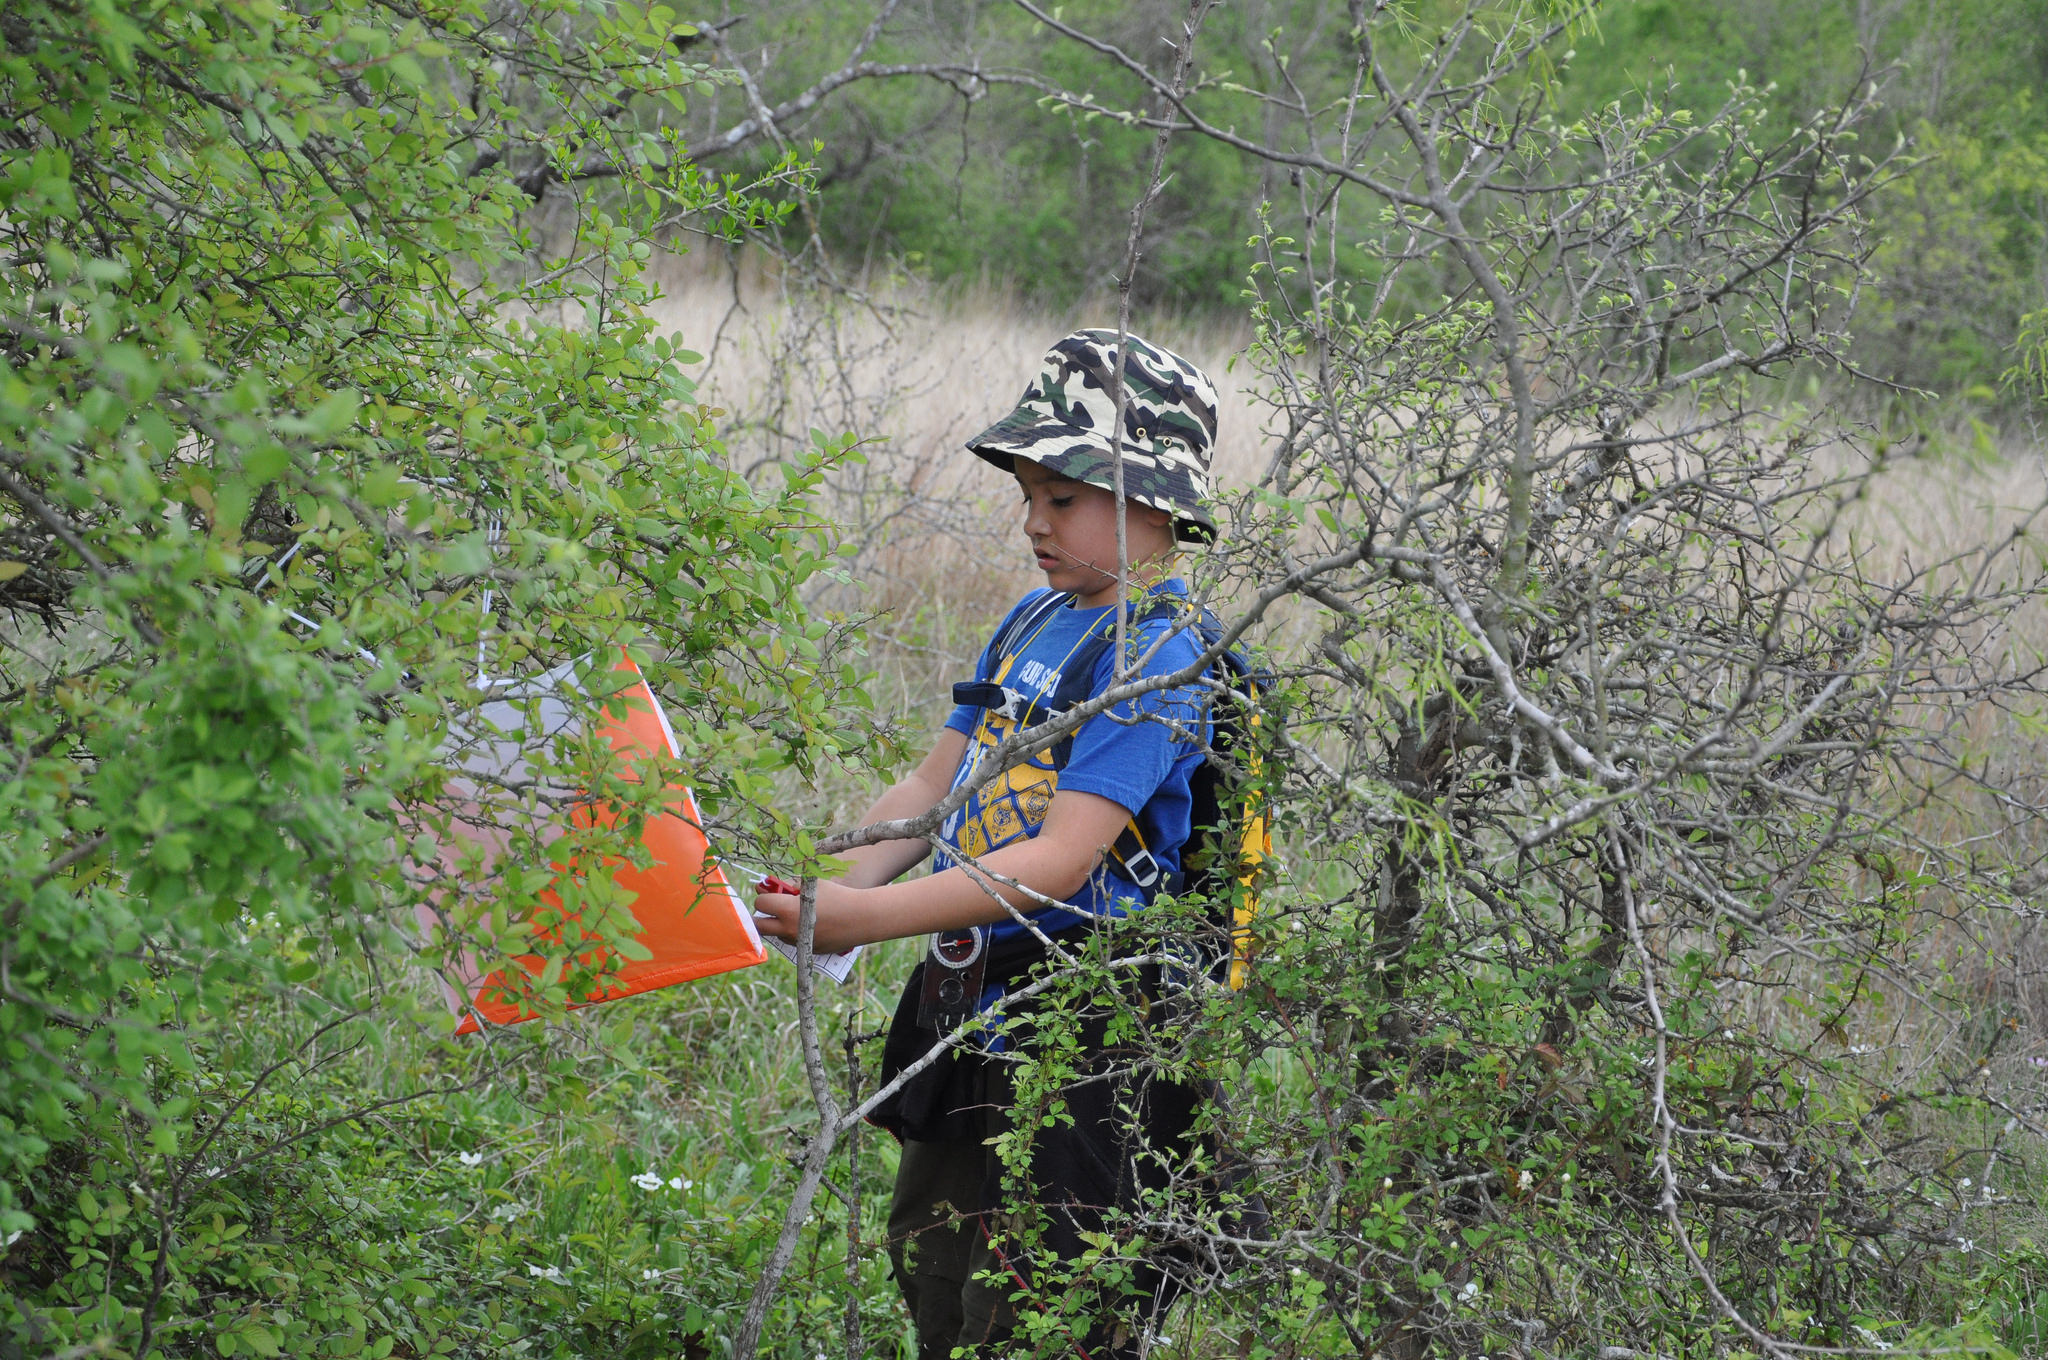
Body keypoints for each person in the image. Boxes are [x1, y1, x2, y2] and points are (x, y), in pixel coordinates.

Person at [753, 328, 1226, 1358]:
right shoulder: (1029, 620)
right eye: (1026, 496)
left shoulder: (1159, 653)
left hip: (1082, 1022)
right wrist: (826, 891)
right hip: (971, 997)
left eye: (1061, 498)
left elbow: (1060, 861)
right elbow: (935, 784)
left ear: (1152, 498)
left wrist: (867, 919)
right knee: (932, 1256)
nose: (1032, 523)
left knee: (1044, 1295)